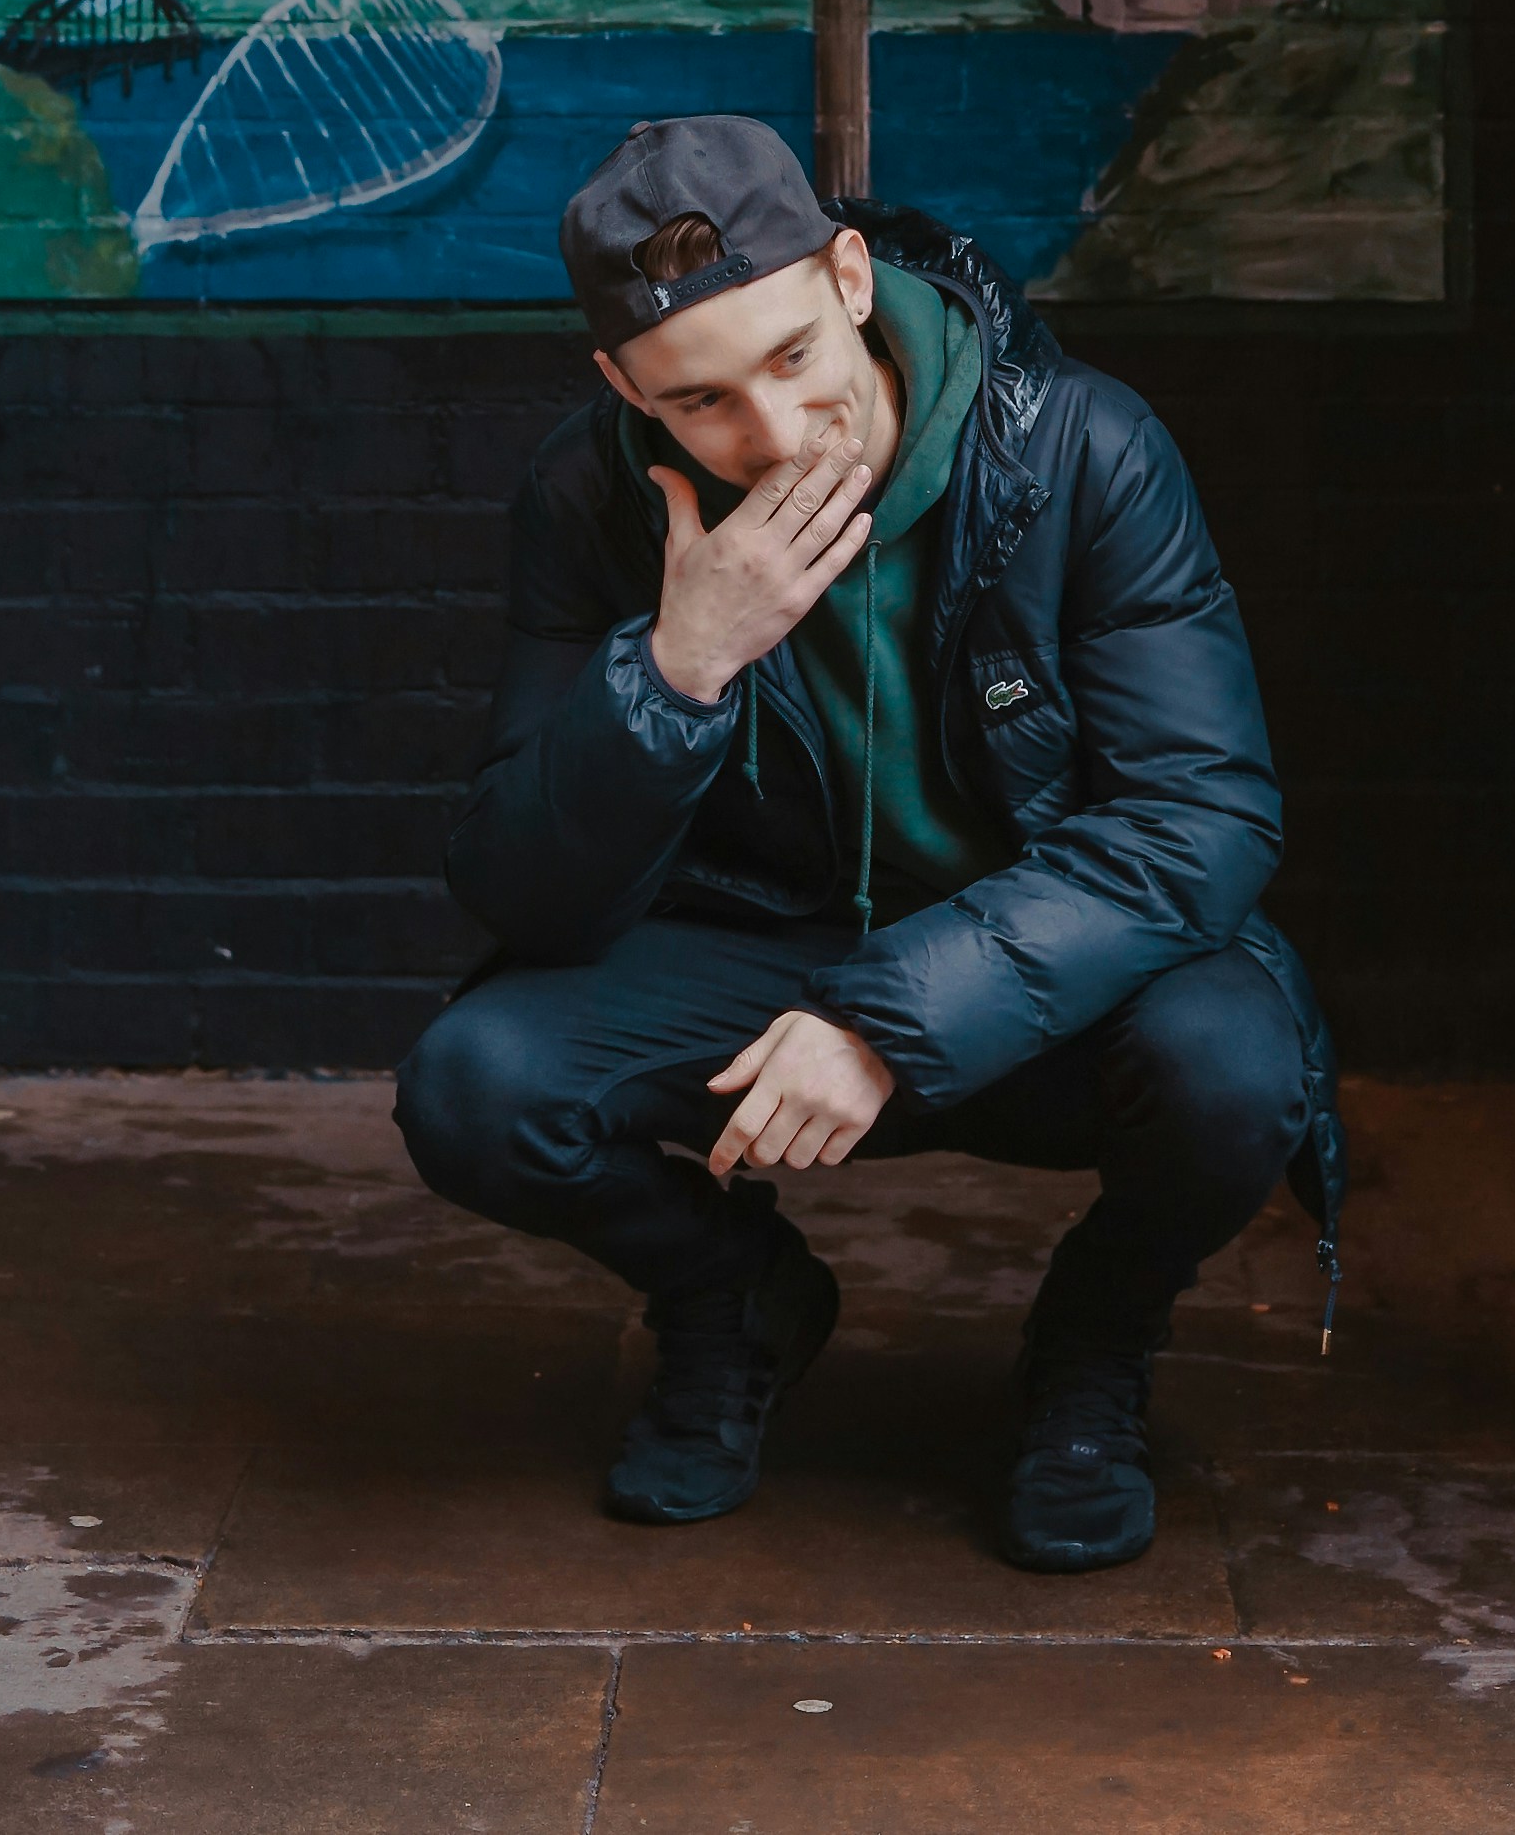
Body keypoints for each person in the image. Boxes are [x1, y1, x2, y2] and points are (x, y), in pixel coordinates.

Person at [398, 115, 1344, 1574]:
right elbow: (522, 890)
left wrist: (890, 1020)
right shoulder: (592, 497)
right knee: (476, 1085)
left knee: (1235, 1067)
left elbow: (1199, 822)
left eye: (790, 359)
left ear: (849, 276)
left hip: (1043, 978)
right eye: (700, 401)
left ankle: (1094, 1345)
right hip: (753, 962)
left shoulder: (1080, 450)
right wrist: (678, 671)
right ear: (622, 386)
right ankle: (735, 1301)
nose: (773, 438)